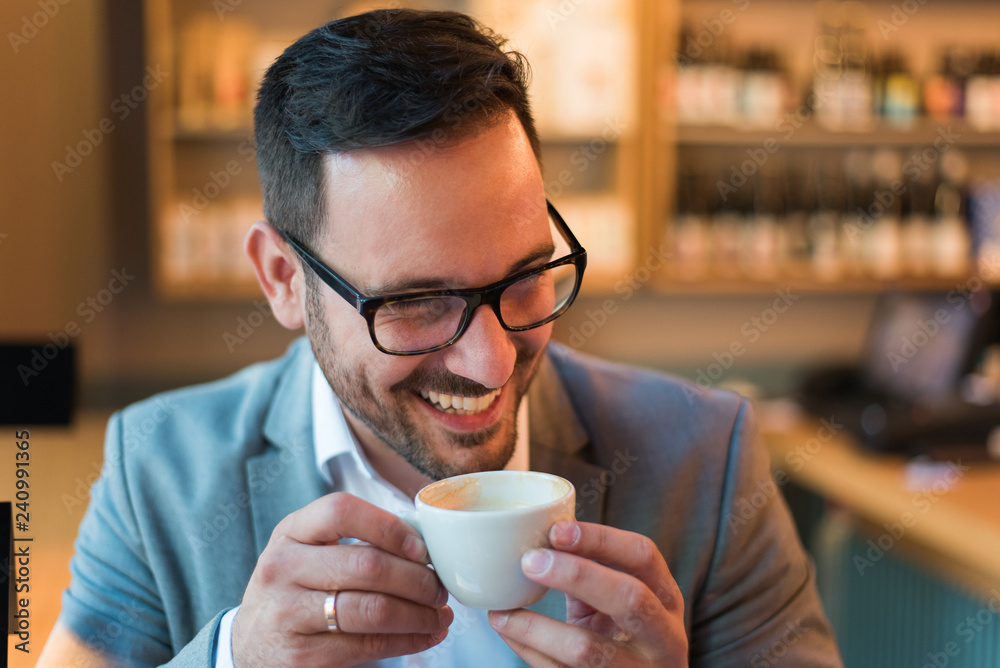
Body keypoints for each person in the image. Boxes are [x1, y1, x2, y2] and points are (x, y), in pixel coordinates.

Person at [39, 9, 843, 668]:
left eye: (525, 277)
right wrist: (233, 660)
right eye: (418, 303)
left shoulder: (707, 457)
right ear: (283, 279)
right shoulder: (158, 469)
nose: (491, 361)